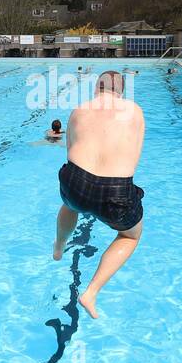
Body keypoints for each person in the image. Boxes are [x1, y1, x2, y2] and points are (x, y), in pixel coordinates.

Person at [53, 70, 145, 320]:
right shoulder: (135, 111)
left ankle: (59, 246)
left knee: (69, 204)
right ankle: (91, 292)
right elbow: (134, 159)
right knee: (130, 236)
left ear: (97, 88)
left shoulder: (79, 110)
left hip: (75, 182)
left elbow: (70, 153)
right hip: (115, 190)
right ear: (121, 91)